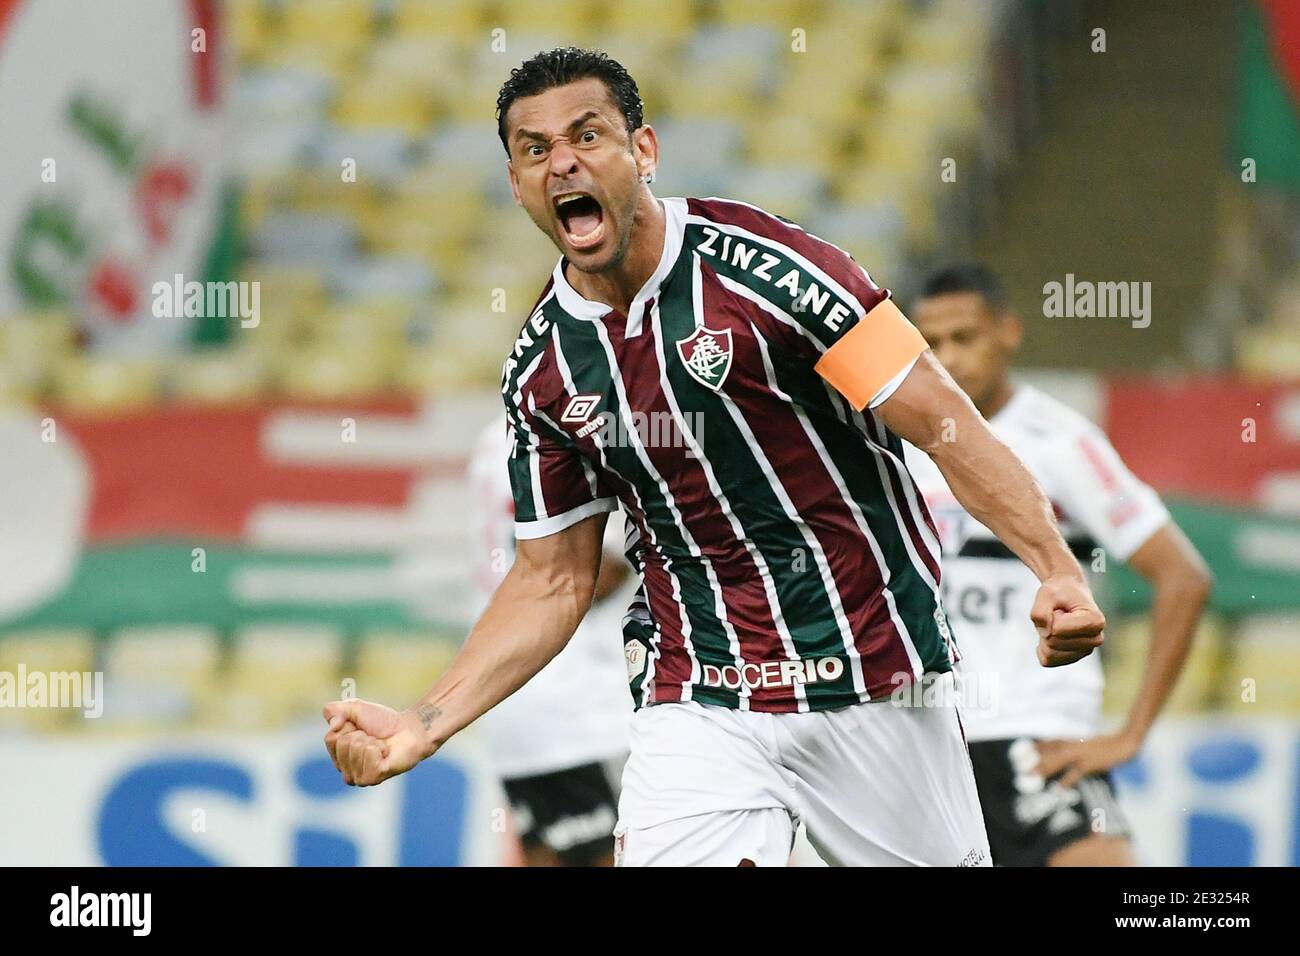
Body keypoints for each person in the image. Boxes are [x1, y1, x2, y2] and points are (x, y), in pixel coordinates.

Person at [323, 47, 1106, 867]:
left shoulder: (777, 270)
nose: (562, 163)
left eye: (587, 136)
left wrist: (1053, 566)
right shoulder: (542, 370)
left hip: (876, 672)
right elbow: (552, 578)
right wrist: (423, 722)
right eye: (534, 149)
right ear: (517, 184)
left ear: (644, 151)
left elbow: (944, 423)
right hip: (699, 693)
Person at [904, 263, 1213, 866]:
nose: (950, 358)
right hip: (930, 743)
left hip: (1035, 737)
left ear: (1008, 332)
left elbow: (1182, 575)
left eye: (964, 338)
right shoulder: (905, 442)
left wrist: (1131, 733)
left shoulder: (1059, 441)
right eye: (931, 343)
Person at [466, 416, 635, 866]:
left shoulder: (496, 434)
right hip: (584, 707)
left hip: (517, 705)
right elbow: (588, 575)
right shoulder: (587, 431)